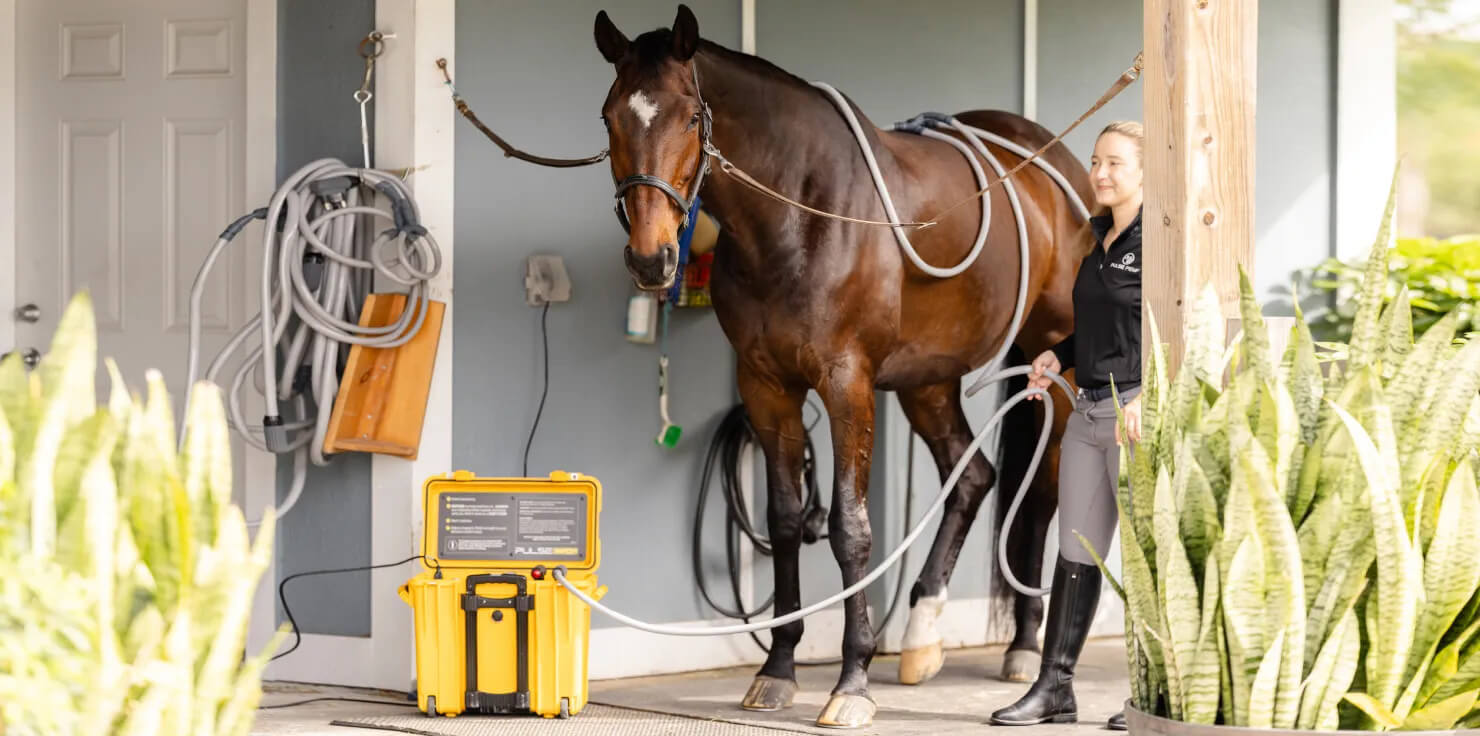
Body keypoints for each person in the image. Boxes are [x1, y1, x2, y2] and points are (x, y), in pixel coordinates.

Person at [989, 120, 1144, 730]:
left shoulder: (1160, 240)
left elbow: (1175, 325)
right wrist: (1062, 353)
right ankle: (1055, 689)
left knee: (1147, 562)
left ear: (1145, 171)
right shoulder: (1098, 238)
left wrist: (1149, 394)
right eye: (1096, 162)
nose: (1101, 173)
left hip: (1137, 416)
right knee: (1074, 552)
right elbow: (1107, 326)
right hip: (1085, 417)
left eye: (1116, 163)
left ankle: (1151, 697)